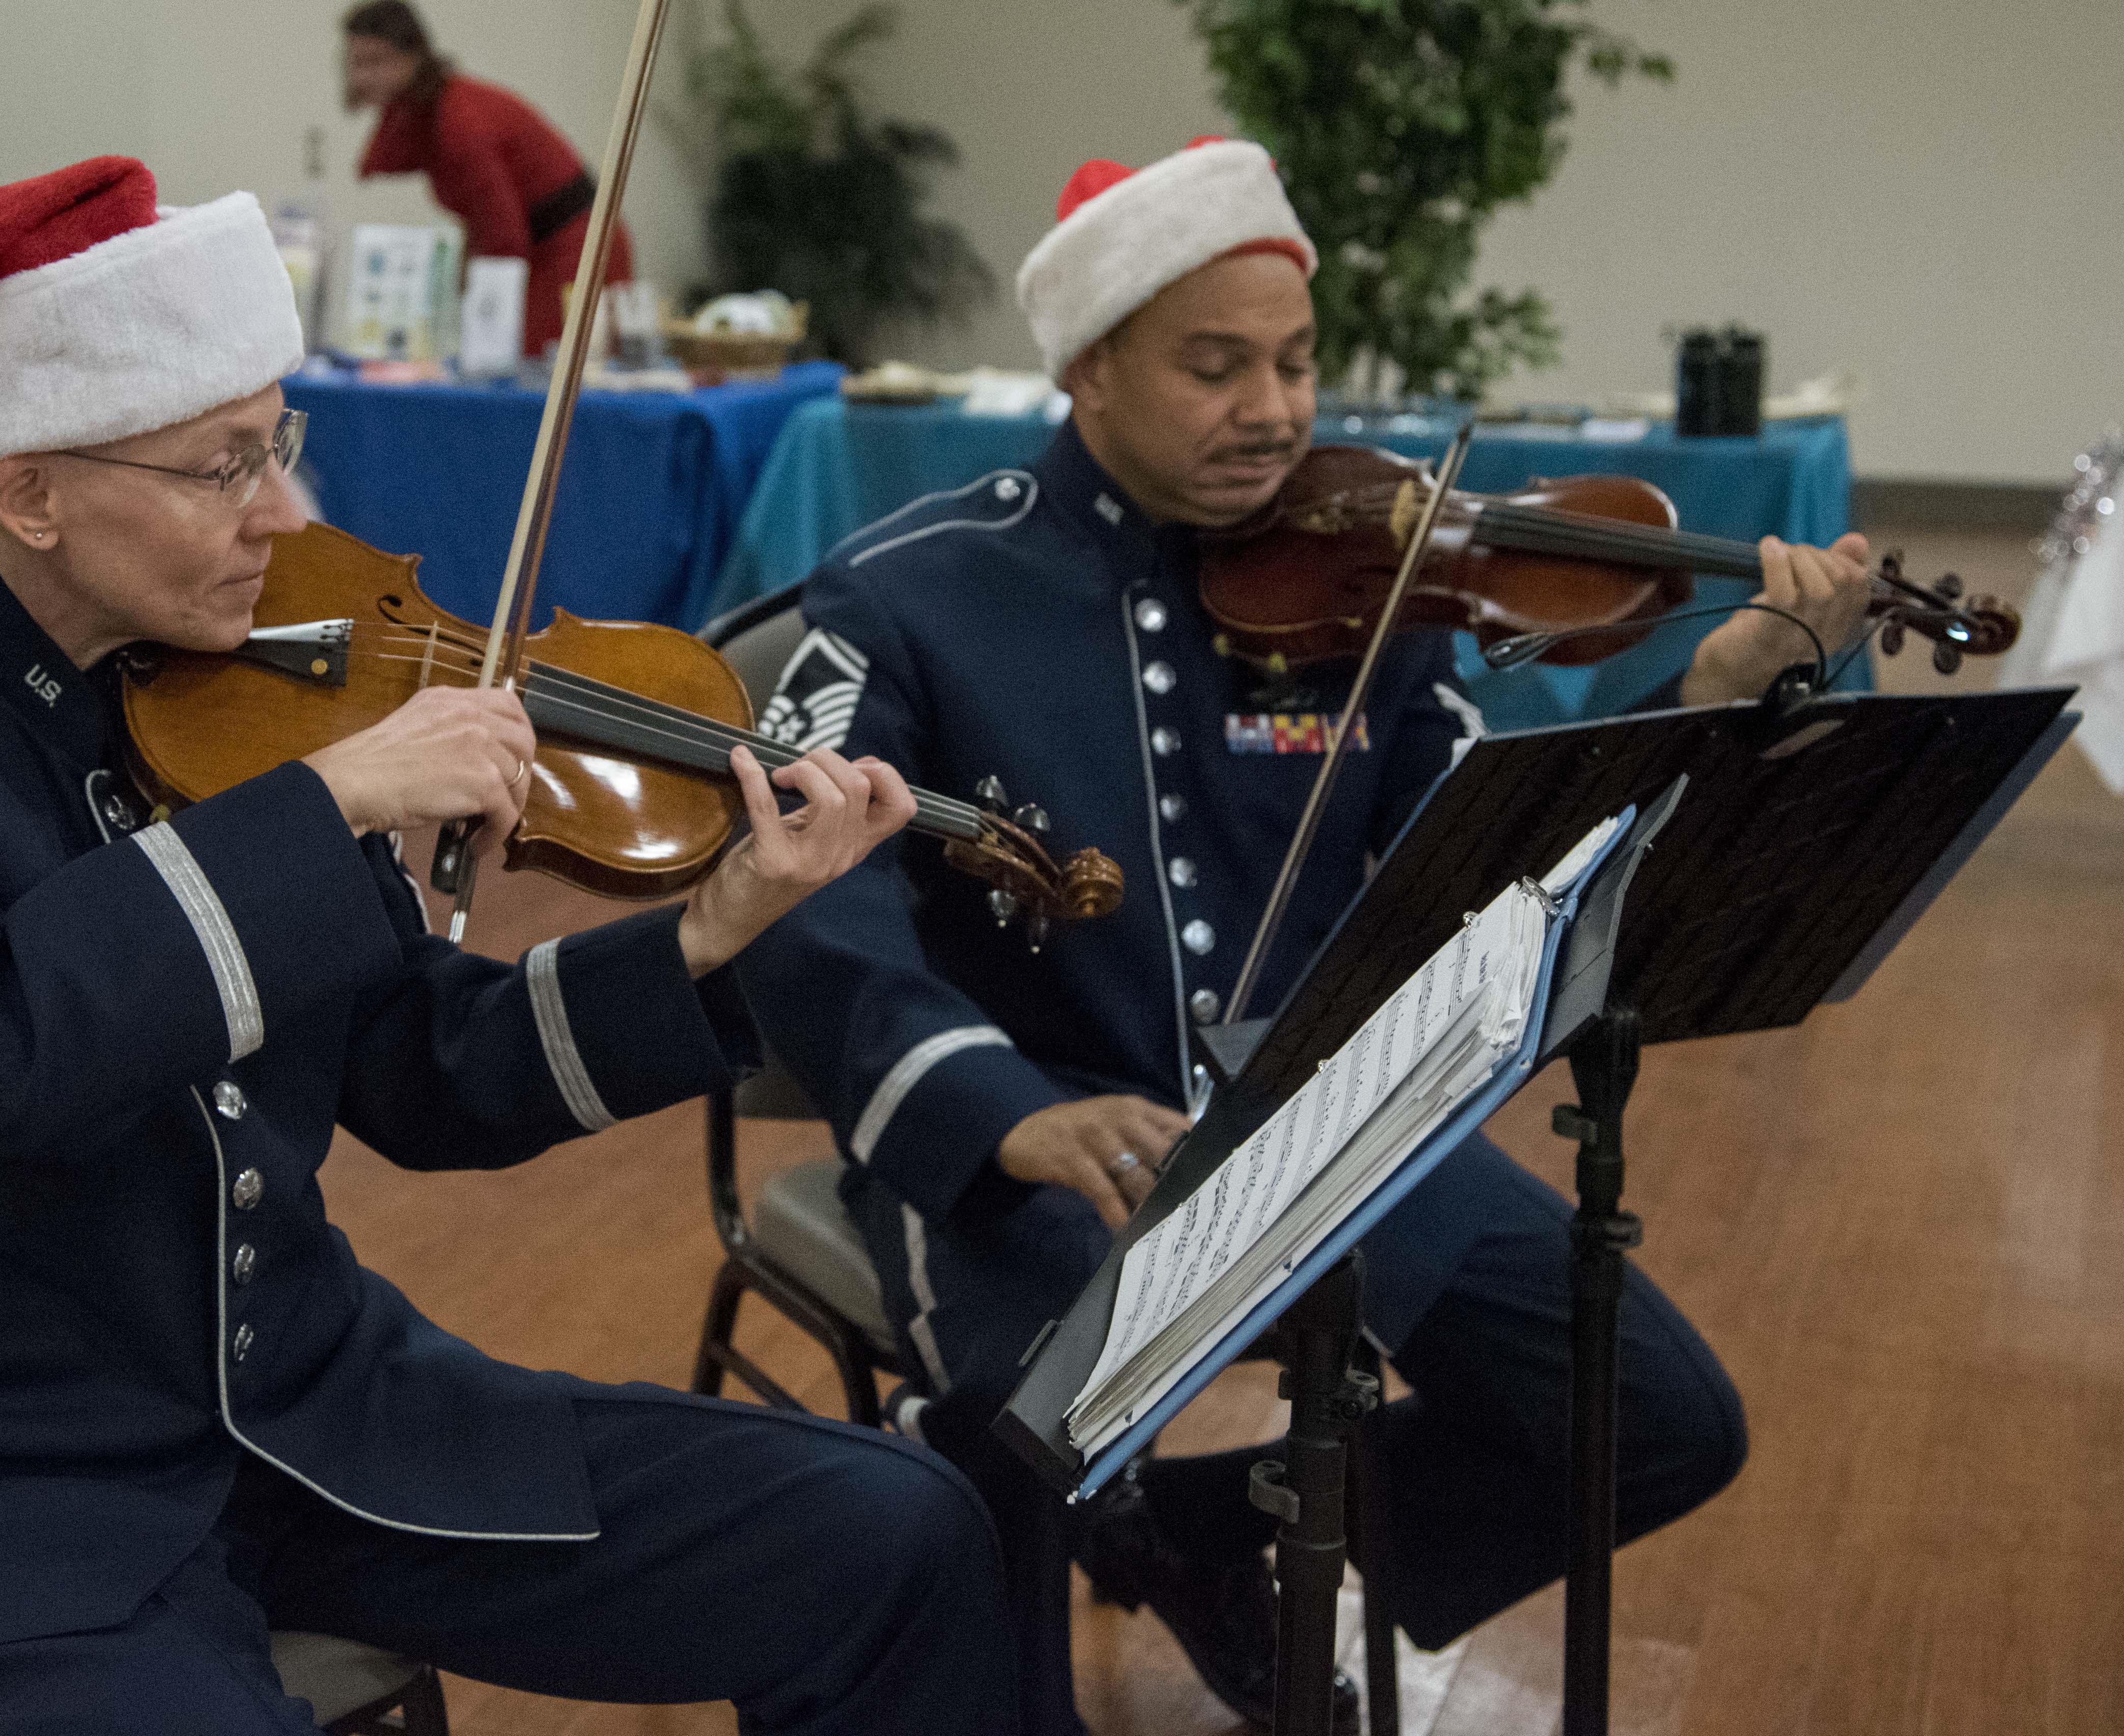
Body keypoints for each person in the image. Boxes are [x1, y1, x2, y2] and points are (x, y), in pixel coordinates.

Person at [0, 156, 1018, 1735]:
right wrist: (325, 800)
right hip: (0, 1486)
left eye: (279, 444)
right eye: (217, 466)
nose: (279, 515)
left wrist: (708, 932)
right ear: (28, 491)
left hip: (317, 1416)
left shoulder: (228, 695)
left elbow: (422, 1063)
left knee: (897, 1534)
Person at [737, 137, 1874, 1734]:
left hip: (1312, 1112)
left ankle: (1206, 1538)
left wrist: (1700, 694)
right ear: (1086, 367)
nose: (1272, 411)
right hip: (1033, 1133)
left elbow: (1488, 849)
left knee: (1653, 1414)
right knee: (1025, 1448)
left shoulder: (1370, 583)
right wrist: (1000, 1116)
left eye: (1292, 361)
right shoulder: (908, 592)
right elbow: (804, 902)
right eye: (1212, 367)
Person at [343, 0, 633, 357]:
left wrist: (477, 309)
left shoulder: (457, 121)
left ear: (414, 57)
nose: (364, 76)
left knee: (540, 370)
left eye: (379, 61)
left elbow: (504, 239)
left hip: (572, 254)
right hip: (540, 248)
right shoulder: (426, 111)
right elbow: (378, 163)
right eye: (356, 62)